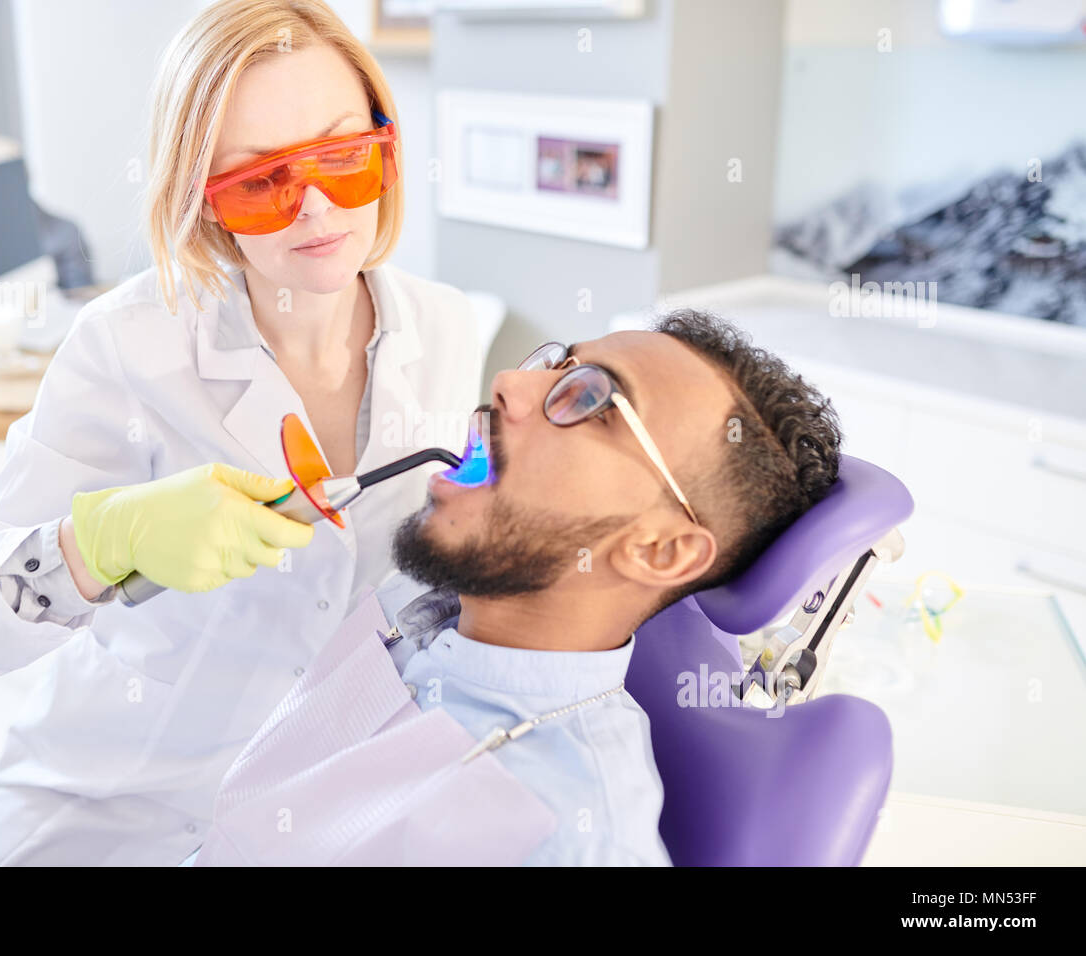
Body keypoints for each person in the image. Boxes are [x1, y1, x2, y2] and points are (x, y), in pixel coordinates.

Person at [0, 0, 480, 865]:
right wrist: (99, 542)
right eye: (262, 182)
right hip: (112, 795)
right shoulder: (128, 345)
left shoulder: (448, 332)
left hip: (323, 795)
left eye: (342, 156)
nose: (317, 208)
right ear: (205, 202)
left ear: (386, 144)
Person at [191, 312, 844, 866]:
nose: (509, 382)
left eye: (592, 398)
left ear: (661, 548)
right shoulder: (414, 602)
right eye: (557, 363)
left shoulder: (563, 833)